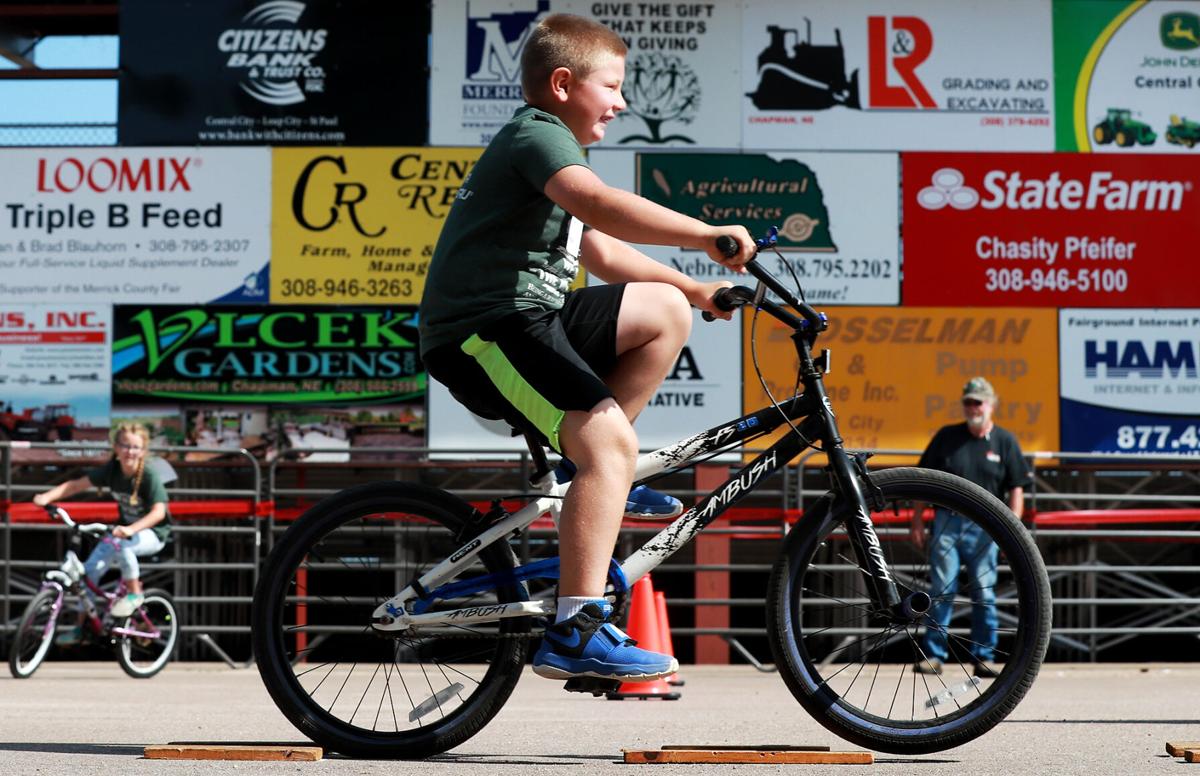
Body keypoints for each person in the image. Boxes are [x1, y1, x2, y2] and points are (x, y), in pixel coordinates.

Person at [418, 13, 754, 682]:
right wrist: (704, 231)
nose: (623, 102)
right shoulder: (535, 133)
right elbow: (598, 207)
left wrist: (692, 288)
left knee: (664, 313)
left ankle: (590, 473)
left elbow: (596, 250)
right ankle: (574, 631)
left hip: (530, 317)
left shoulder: (554, 151)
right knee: (610, 446)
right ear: (564, 83)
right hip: (484, 331)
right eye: (613, 86)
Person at [910, 377, 1031, 678]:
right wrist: (917, 520)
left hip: (988, 527)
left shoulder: (1005, 441)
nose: (973, 407)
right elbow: (924, 480)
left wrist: (1012, 529)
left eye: (978, 402)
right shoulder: (947, 437)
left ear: (991, 405)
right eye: (968, 402)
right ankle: (934, 655)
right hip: (947, 522)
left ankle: (984, 656)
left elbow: (1017, 487)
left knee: (984, 591)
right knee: (942, 589)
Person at [32, 423, 171, 643]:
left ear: (143, 450)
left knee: (124, 546)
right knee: (88, 572)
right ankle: (80, 626)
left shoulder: (149, 475)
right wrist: (47, 497)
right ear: (116, 447)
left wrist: (131, 529)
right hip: (121, 533)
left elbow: (159, 513)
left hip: (152, 534)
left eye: (135, 447)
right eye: (125, 445)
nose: (129, 452)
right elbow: (76, 485)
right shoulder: (112, 470)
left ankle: (135, 595)